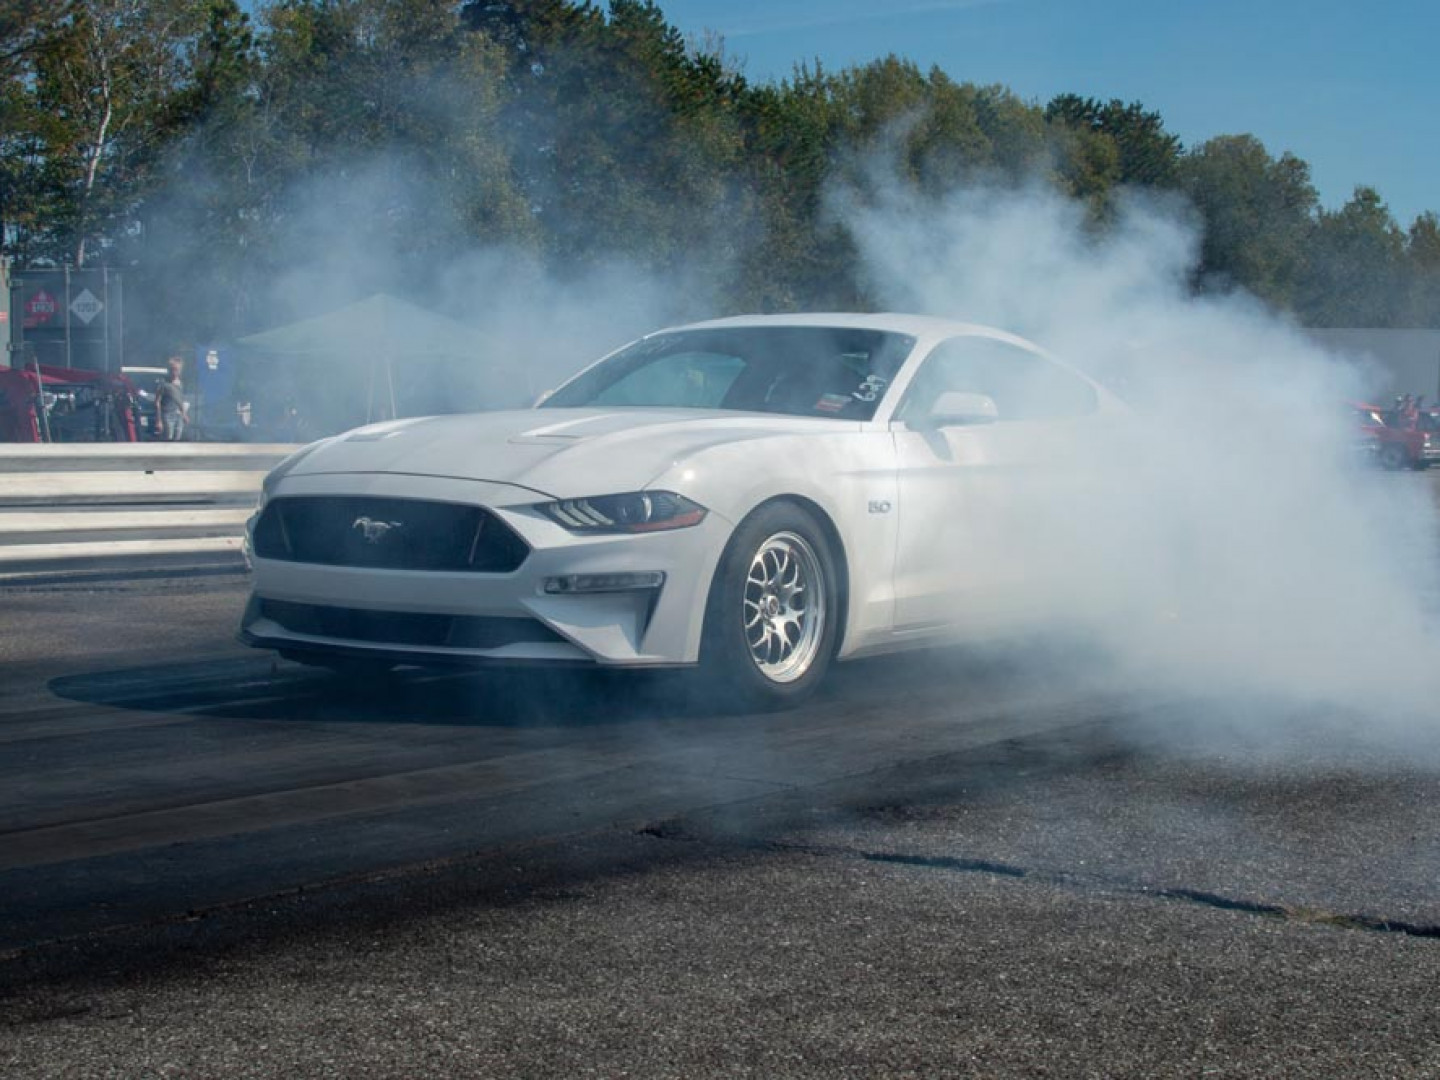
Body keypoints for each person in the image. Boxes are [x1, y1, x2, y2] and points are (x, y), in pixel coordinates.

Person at [154, 356, 187, 441]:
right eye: (172, 369)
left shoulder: (180, 383)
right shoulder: (164, 383)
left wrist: (184, 414)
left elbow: (180, 400)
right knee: (168, 438)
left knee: (177, 438)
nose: (174, 372)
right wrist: (159, 420)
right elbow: (157, 402)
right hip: (167, 415)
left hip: (178, 415)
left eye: (177, 370)